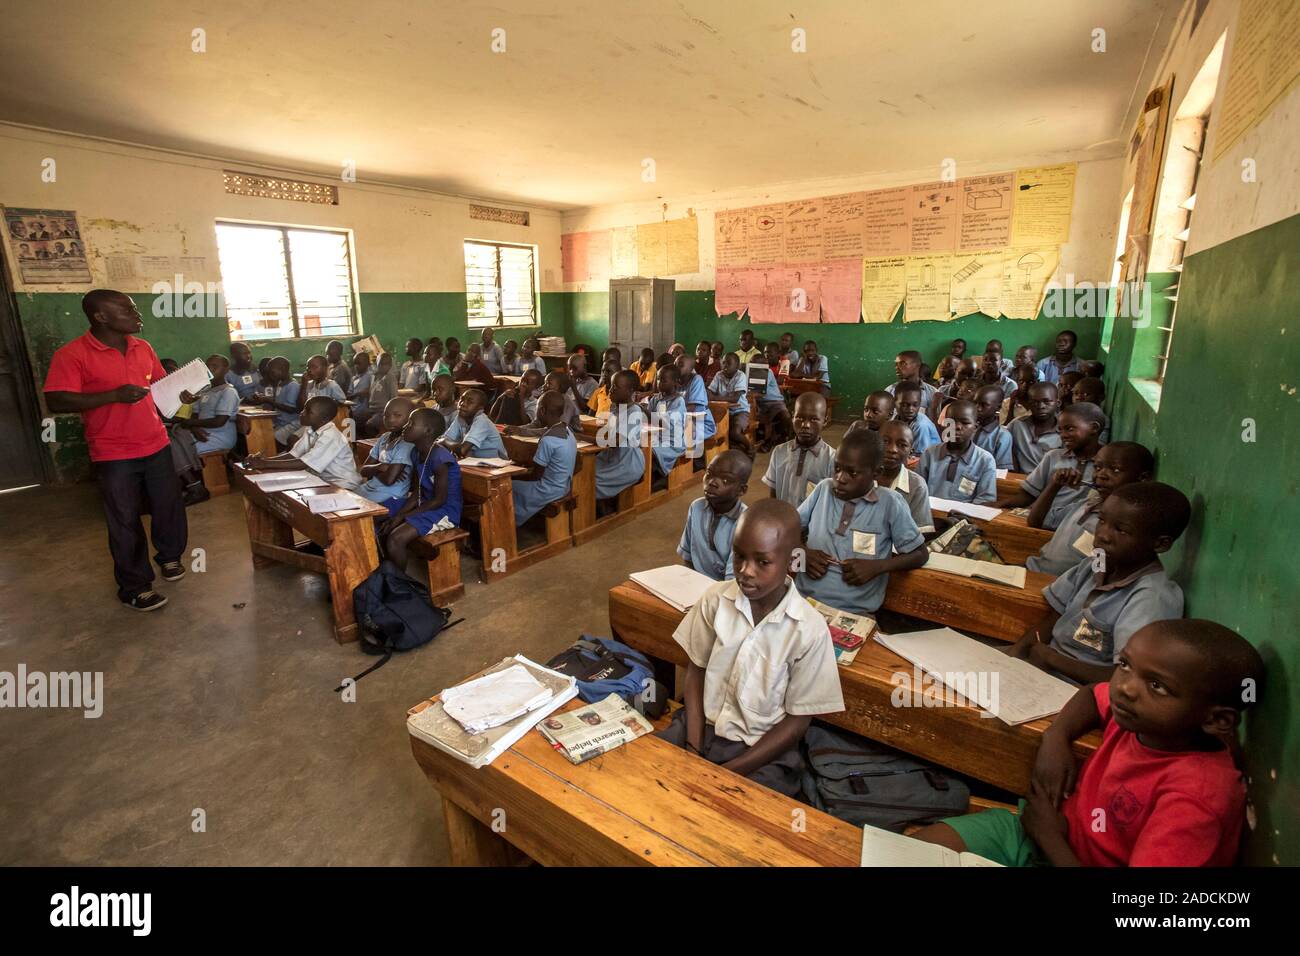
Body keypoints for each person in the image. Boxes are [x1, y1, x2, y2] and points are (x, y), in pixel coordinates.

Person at [914, 619, 1262, 866]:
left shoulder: (1196, 799)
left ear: (1217, 720)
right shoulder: (1146, 720)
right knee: (915, 852)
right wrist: (1056, 736)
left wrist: (1049, 838)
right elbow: (1090, 695)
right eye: (1125, 665)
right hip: (1040, 833)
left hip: (1053, 840)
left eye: (1157, 686)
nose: (1125, 686)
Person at [656, 499, 846, 797]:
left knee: (738, 817)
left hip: (761, 752)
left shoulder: (808, 629)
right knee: (651, 781)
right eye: (738, 557)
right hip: (700, 728)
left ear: (793, 560)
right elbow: (696, 672)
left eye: (762, 562)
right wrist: (693, 750)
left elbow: (797, 723)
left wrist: (730, 772)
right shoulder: (715, 600)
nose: (745, 571)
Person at [42, 289, 190, 611]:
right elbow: (56, 399)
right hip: (113, 451)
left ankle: (170, 557)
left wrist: (182, 396)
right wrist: (112, 396)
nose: (137, 314)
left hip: (156, 442)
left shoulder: (143, 347)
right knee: (124, 519)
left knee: (168, 506)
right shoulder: (73, 354)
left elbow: (160, 389)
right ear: (100, 317)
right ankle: (135, 587)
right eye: (127, 309)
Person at [1005, 481, 1189, 684]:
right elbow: (1053, 618)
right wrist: (1013, 656)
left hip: (1077, 689)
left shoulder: (1151, 597)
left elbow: (1127, 677)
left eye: (1121, 530)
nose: (1102, 535)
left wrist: (1052, 659)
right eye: (1102, 520)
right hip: (1043, 667)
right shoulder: (1096, 563)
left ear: (1160, 544)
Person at [796, 428, 928, 616]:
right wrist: (803, 553)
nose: (840, 479)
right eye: (837, 468)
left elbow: (920, 554)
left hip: (855, 612)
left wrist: (877, 567)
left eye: (852, 473)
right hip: (804, 601)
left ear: (876, 473)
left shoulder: (890, 503)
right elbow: (786, 529)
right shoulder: (823, 490)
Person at [1026, 442, 1153, 575]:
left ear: (1143, 478)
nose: (1101, 475)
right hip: (1035, 569)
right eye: (1097, 468)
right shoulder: (1088, 503)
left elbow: (1099, 574)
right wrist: (1054, 485)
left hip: (1059, 585)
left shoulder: (1117, 527)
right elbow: (1035, 521)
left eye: (1115, 470)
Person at [997, 403, 1106, 530]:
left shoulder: (1105, 466)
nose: (1063, 435)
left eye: (1070, 429)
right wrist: (999, 504)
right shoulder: (1053, 457)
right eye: (1060, 430)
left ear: (1094, 428)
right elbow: (1028, 495)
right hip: (1041, 521)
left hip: (1075, 529)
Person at [380, 408, 463, 569]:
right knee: (378, 513)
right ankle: (384, 567)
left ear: (427, 431)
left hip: (444, 511)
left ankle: (398, 584)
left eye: (411, 423)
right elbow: (418, 490)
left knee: (396, 538)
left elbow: (439, 500)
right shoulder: (416, 453)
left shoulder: (440, 458)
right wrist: (401, 514)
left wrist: (403, 516)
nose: (405, 426)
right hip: (424, 502)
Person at [246, 396, 361, 490]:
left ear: (324, 418)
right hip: (322, 480)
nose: (302, 413)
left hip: (343, 484)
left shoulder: (331, 436)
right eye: (303, 409)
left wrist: (264, 464)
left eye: (308, 411)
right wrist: (263, 460)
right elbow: (293, 454)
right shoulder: (311, 429)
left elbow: (304, 463)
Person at [505, 392, 578, 525]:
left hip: (549, 490)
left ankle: (509, 524)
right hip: (564, 486)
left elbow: (536, 476)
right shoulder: (568, 431)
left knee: (506, 487)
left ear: (542, 410)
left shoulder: (548, 439)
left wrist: (512, 477)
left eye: (538, 408)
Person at [678, 450, 751, 580]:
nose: (712, 482)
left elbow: (731, 582)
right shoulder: (696, 508)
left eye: (725, 480)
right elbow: (687, 557)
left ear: (741, 490)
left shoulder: (745, 522)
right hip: (696, 584)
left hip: (724, 591)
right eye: (709, 474)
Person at [915, 399, 997, 503]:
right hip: (929, 514)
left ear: (975, 427)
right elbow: (917, 490)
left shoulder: (985, 460)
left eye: (965, 423)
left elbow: (986, 499)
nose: (957, 427)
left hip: (964, 517)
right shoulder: (930, 454)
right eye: (951, 422)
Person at [762, 391, 833, 507]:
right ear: (792, 416)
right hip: (783, 519)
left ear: (825, 420)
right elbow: (773, 493)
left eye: (814, 419)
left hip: (813, 523)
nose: (806, 425)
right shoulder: (779, 452)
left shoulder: (832, 458)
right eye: (800, 417)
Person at [355, 397, 417, 514]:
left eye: (397, 415)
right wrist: (380, 467)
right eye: (386, 415)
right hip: (371, 489)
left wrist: (376, 470)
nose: (390, 420)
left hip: (390, 497)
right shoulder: (384, 438)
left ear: (411, 419)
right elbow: (363, 470)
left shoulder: (406, 443)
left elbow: (389, 480)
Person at [593, 370, 646, 506]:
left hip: (627, 463)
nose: (610, 390)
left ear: (630, 391)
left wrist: (580, 437)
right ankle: (600, 504)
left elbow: (614, 440)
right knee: (580, 472)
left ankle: (599, 507)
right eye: (611, 386)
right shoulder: (614, 407)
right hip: (612, 457)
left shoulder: (634, 411)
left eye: (615, 387)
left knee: (589, 481)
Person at [876, 420, 934, 533]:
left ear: (911, 450)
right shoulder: (860, 477)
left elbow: (922, 533)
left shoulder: (917, 486)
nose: (892, 449)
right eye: (885, 441)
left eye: (902, 445)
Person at [181, 354, 239, 456]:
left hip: (218, 436)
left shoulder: (228, 391)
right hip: (200, 432)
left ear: (226, 370)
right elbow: (195, 413)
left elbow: (219, 421)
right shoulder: (205, 390)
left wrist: (190, 423)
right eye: (207, 367)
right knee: (174, 442)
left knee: (182, 449)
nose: (210, 370)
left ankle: (188, 472)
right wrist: (194, 428)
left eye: (215, 367)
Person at [440, 387, 508, 459]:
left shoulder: (482, 421)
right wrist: (445, 442)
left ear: (480, 408)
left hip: (497, 465)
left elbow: (463, 450)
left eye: (470, 402)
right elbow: (446, 439)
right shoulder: (460, 417)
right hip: (475, 462)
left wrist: (445, 441)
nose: (462, 404)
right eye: (461, 399)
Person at [1008, 381, 1061, 472]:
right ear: (1028, 404)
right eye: (1034, 402)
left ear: (1058, 403)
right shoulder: (1017, 425)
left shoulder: (1064, 430)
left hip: (1052, 481)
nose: (1041, 406)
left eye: (1046, 401)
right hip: (1020, 480)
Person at [645, 364, 686, 479]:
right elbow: (647, 421)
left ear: (675, 382)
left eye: (663, 380)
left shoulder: (678, 401)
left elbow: (666, 423)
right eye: (658, 379)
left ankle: (653, 477)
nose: (659, 383)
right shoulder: (655, 399)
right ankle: (645, 475)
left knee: (648, 451)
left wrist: (645, 412)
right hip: (654, 437)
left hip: (672, 443)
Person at [708, 353, 752, 456]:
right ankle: (723, 453)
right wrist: (711, 396)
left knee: (735, 432)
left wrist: (715, 398)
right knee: (715, 432)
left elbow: (735, 398)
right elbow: (709, 391)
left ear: (737, 366)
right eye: (723, 363)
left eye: (728, 363)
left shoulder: (740, 376)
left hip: (740, 411)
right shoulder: (719, 375)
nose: (725, 366)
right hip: (722, 411)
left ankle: (749, 447)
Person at [674, 354, 716, 463]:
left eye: (680, 365)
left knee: (681, 435)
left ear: (691, 369)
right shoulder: (675, 381)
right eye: (675, 364)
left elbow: (692, 407)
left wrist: (672, 414)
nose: (676, 367)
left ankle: (693, 462)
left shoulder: (696, 380)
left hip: (701, 422)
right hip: (683, 420)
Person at [891, 381, 940, 453]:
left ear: (920, 402)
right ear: (894, 402)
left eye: (915, 405)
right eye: (904, 405)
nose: (911, 409)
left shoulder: (921, 425)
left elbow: (918, 458)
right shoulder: (896, 418)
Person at [973, 384, 1013, 469]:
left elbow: (1001, 470)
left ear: (998, 407)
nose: (978, 408)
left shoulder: (1002, 436)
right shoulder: (968, 427)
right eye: (975, 403)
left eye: (984, 405)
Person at [363, 352, 400, 436]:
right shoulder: (374, 376)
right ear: (377, 364)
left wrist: (388, 413)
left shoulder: (390, 378)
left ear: (390, 365)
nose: (384, 366)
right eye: (381, 364)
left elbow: (394, 397)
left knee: (370, 424)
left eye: (387, 364)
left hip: (382, 411)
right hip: (371, 409)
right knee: (357, 417)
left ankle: (374, 442)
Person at [346, 351, 374, 422]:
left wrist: (369, 391)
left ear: (367, 364)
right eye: (355, 363)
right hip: (354, 412)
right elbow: (348, 395)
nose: (356, 366)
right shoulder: (353, 379)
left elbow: (374, 393)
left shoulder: (371, 376)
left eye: (359, 363)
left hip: (366, 413)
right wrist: (357, 394)